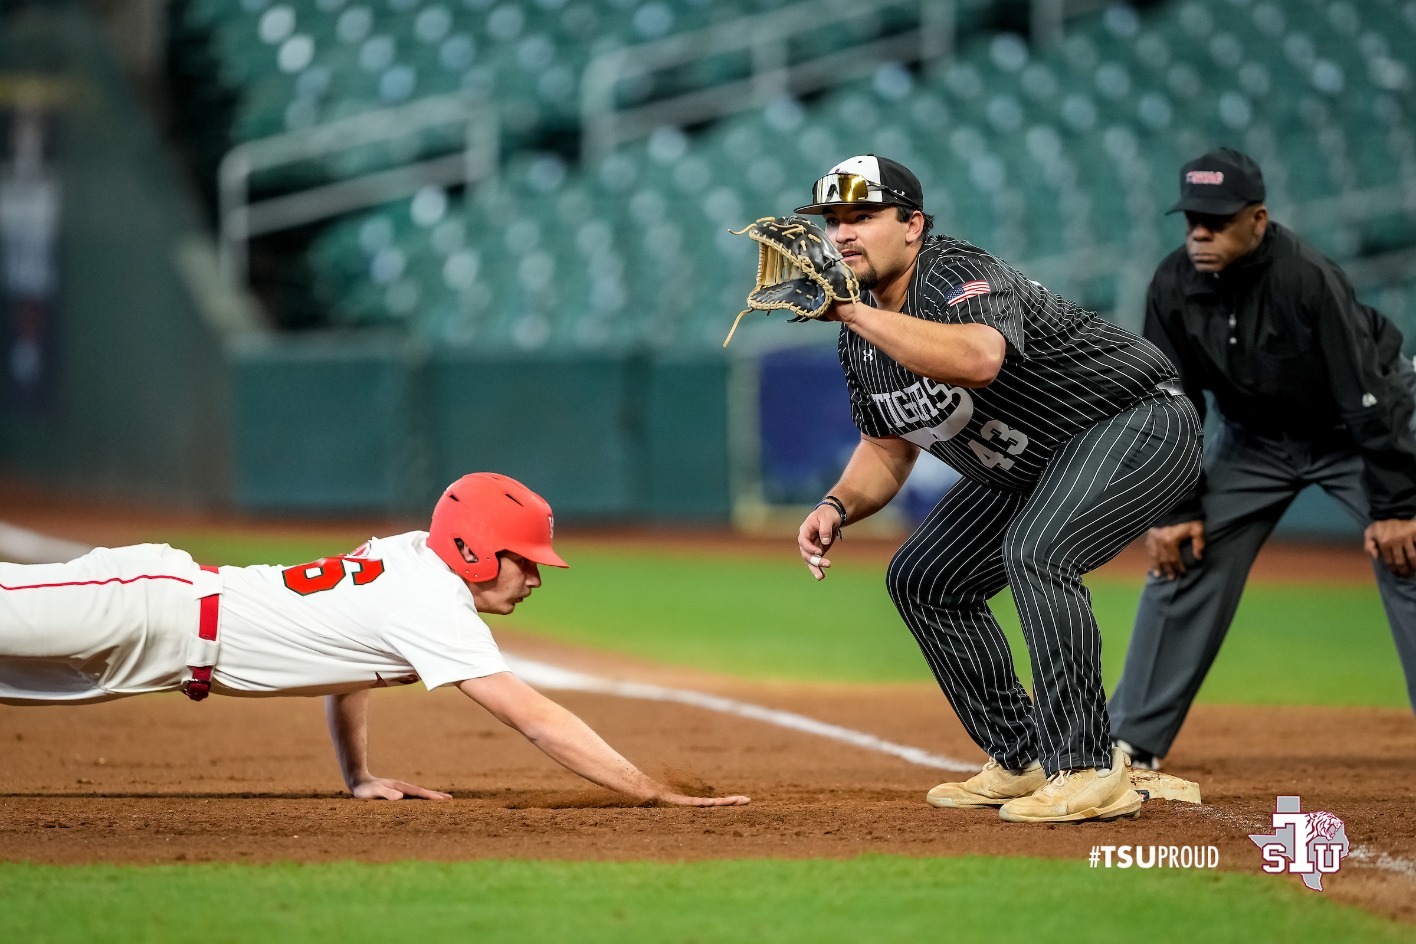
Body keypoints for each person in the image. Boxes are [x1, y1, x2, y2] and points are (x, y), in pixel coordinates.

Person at [792, 155, 1202, 823]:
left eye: (862, 216)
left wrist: (847, 313)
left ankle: (1090, 767)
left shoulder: (953, 271)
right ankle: (1025, 755)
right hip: (1036, 462)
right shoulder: (860, 331)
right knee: (925, 577)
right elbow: (886, 446)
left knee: (1039, 552)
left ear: (913, 225)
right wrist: (837, 504)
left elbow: (980, 358)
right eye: (834, 221)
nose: (842, 234)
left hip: (1134, 420)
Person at [0, 472, 749, 808]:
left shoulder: (411, 552)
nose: (537, 577)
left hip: (153, 651)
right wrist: (651, 792)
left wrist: (359, 775)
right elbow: (535, 717)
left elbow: (347, 658)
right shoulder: (434, 605)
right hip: (146, 609)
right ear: (478, 553)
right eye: (527, 561)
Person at [1108, 147, 1416, 769]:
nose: (1200, 232)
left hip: (1354, 433)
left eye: (1217, 220)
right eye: (1193, 218)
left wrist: (1399, 506)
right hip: (1254, 442)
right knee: (1183, 553)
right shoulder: (1172, 284)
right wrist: (1177, 507)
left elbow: (1368, 394)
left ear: (1258, 219)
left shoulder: (1307, 276)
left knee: (1409, 553)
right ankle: (1129, 741)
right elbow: (1169, 403)